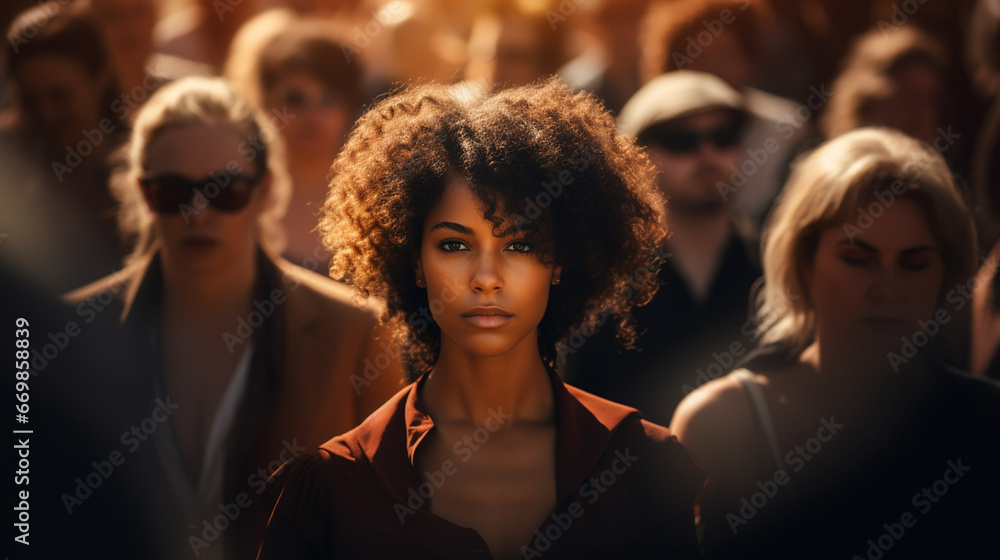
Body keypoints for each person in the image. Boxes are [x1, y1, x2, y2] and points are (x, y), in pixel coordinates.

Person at [256, 78, 705, 559]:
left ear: (560, 263)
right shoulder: (334, 486)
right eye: (454, 245)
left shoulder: (644, 463)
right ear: (414, 263)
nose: (487, 278)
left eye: (520, 245)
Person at [63, 76, 403, 560]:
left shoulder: (356, 332)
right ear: (143, 192)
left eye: (224, 190)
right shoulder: (66, 334)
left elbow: (389, 525)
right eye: (172, 191)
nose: (198, 213)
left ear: (263, 190)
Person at [670, 127, 1000, 559]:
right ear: (802, 260)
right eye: (857, 259)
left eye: (914, 264)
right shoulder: (719, 423)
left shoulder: (986, 418)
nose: (886, 288)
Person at [565, 70, 762, 426]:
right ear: (636, 157)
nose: (708, 154)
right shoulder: (600, 279)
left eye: (724, 136)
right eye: (680, 141)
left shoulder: (780, 264)